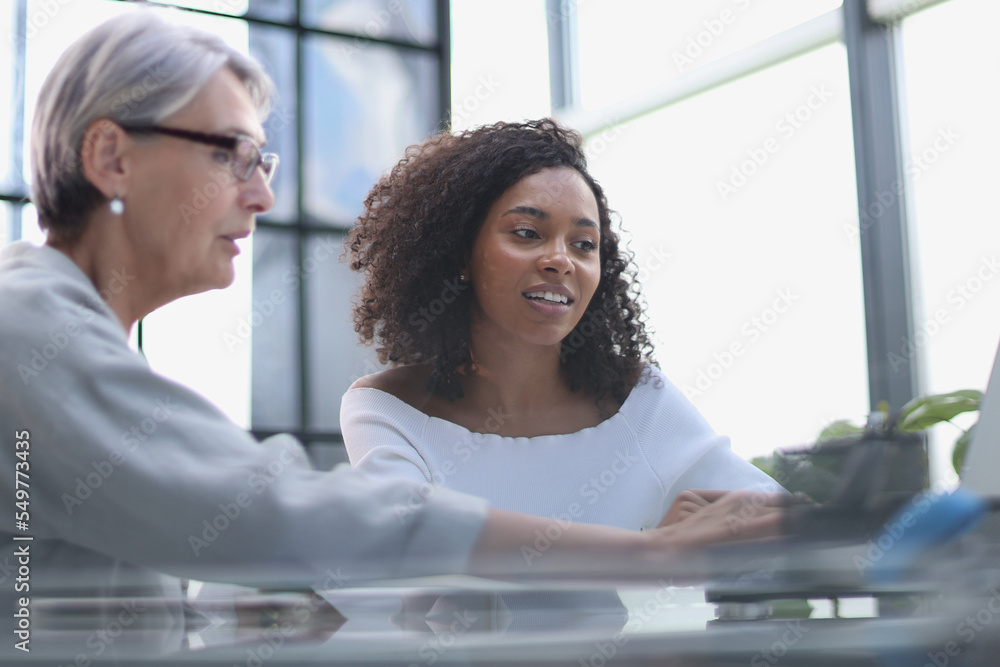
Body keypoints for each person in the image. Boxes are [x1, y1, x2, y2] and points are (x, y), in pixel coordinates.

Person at [0, 10, 782, 659]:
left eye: (262, 159)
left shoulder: (60, 331)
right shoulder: (23, 326)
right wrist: (643, 555)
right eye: (231, 154)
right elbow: (270, 514)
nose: (264, 193)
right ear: (110, 157)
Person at [342, 119, 782, 531]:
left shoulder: (639, 404)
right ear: (459, 255)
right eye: (527, 233)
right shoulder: (388, 409)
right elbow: (419, 542)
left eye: (583, 244)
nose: (561, 260)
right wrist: (648, 554)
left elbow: (778, 518)